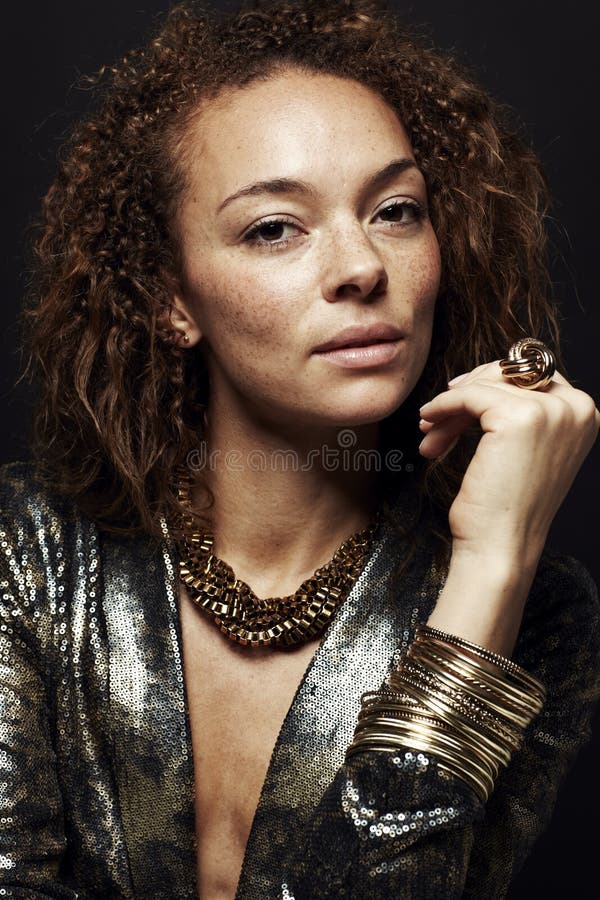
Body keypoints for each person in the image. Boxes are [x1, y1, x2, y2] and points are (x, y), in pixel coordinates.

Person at [0, 0, 598, 897]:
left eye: (396, 210)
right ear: (172, 298)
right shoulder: (32, 554)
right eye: (275, 227)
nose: (363, 267)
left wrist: (490, 573)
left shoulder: (534, 611)